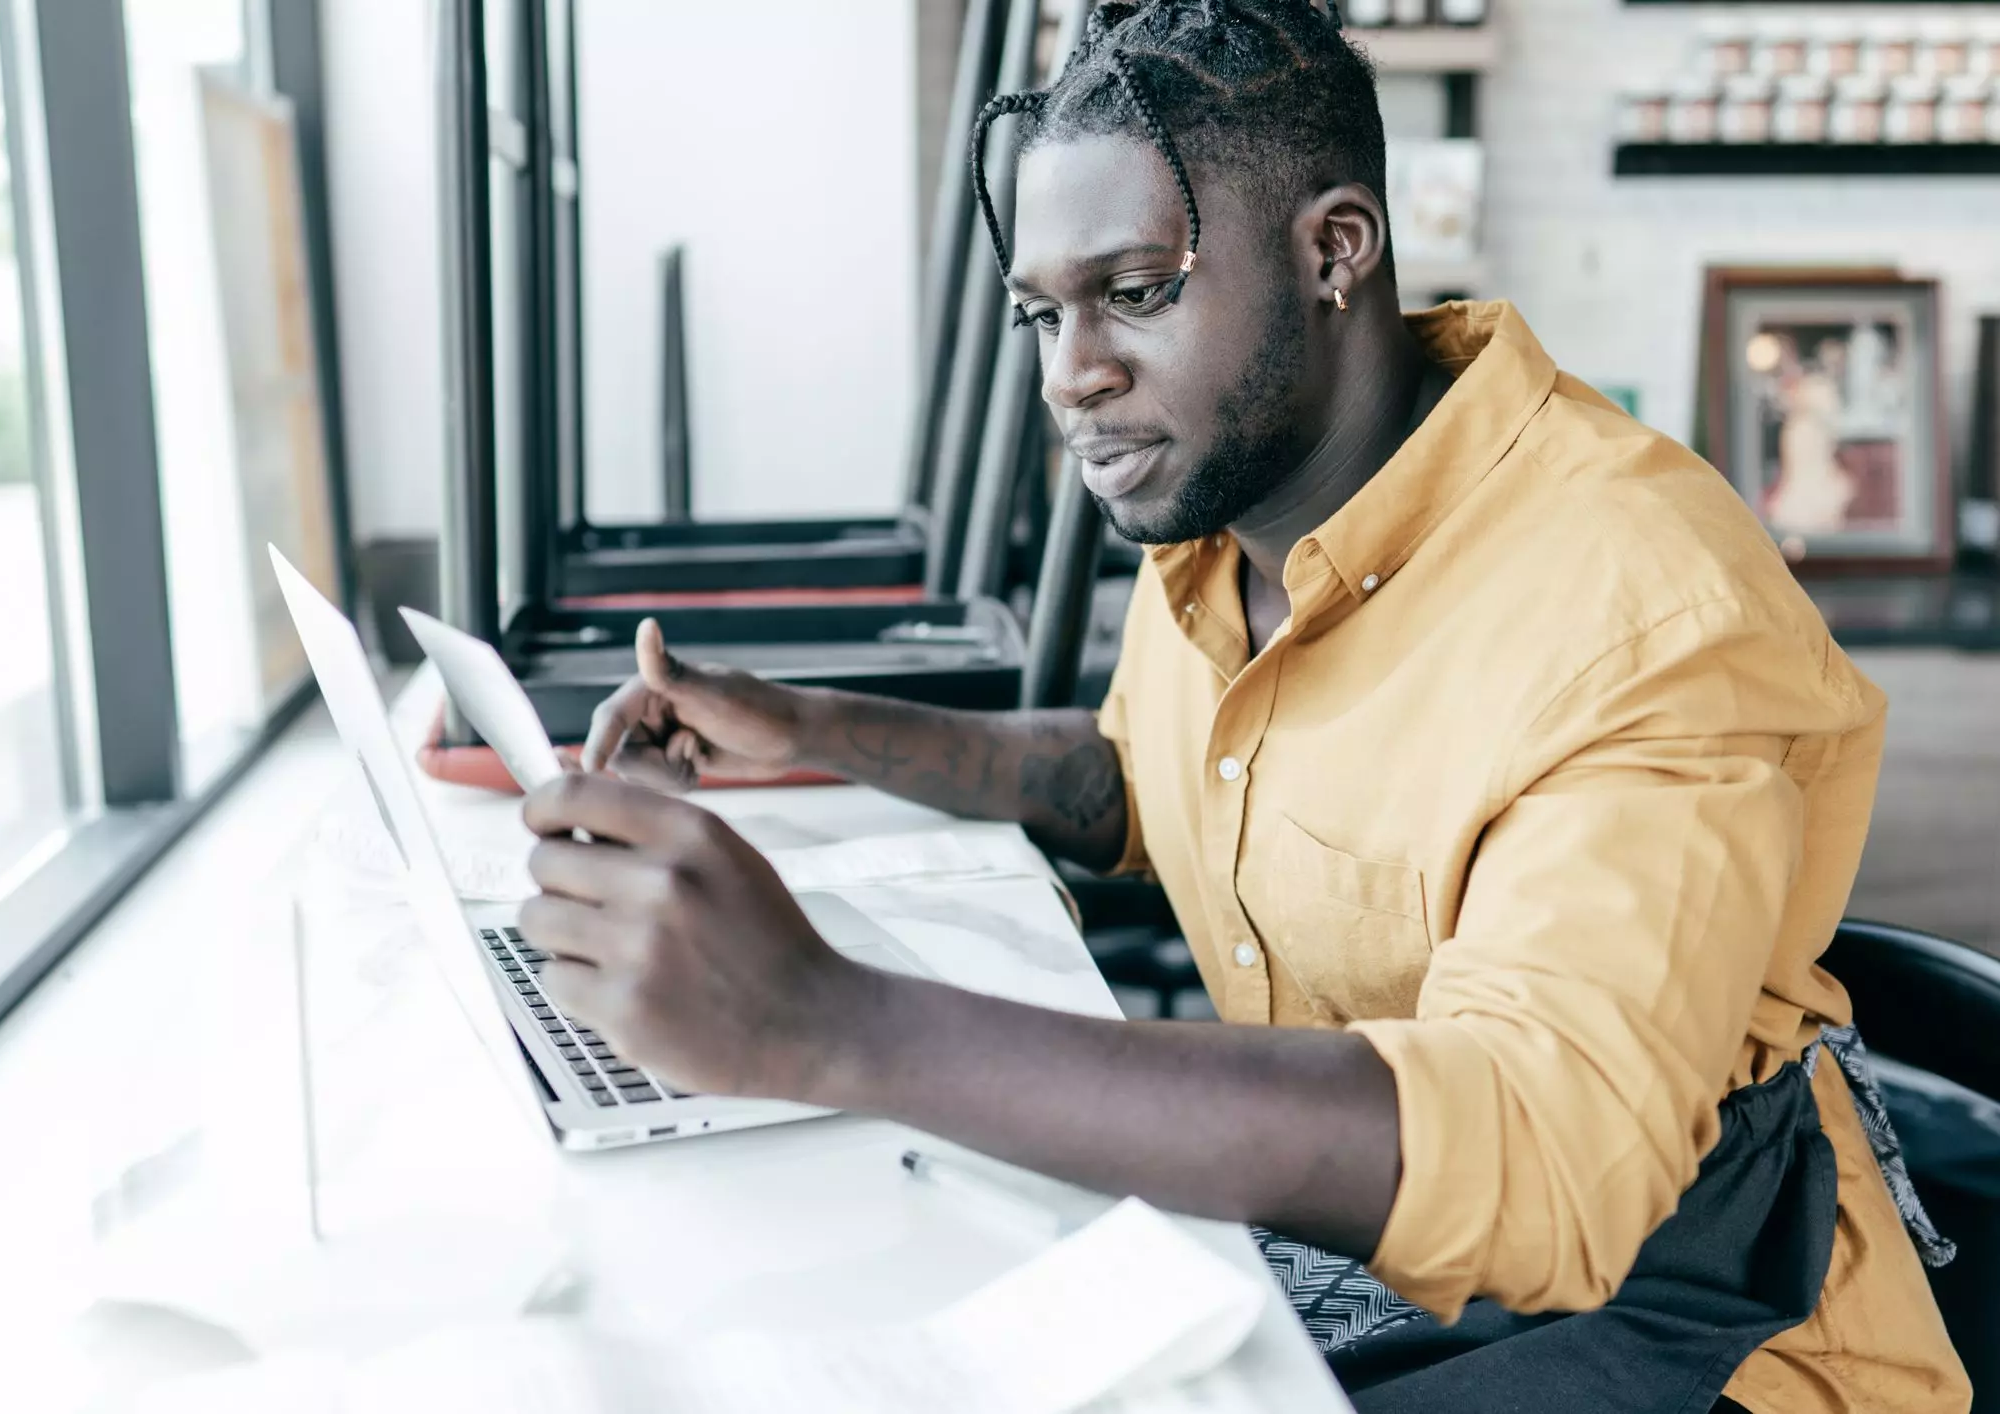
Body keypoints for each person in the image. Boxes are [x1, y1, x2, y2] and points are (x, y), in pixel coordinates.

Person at [517, 3, 1968, 1410]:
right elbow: (1141, 784)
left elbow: (1542, 1163)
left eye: (1135, 292)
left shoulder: (1640, 604)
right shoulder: (1229, 515)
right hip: (1382, 1264)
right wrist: (808, 727)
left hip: (1693, 1328)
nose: (1071, 375)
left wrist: (824, 1020)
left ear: (1334, 248)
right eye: (1042, 312)